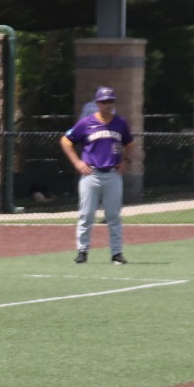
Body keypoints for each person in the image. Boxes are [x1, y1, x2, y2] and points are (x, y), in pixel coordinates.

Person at [62, 86, 133, 265]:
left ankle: (116, 253)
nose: (106, 104)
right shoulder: (87, 123)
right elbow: (65, 140)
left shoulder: (120, 123)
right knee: (86, 214)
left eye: (110, 101)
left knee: (113, 215)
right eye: (103, 101)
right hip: (91, 174)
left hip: (112, 174)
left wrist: (126, 160)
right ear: (97, 103)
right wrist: (77, 162)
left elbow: (129, 143)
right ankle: (82, 251)